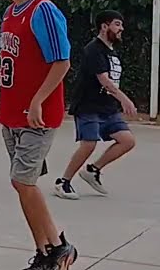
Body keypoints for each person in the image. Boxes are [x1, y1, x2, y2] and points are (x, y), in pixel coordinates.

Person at [0, 0, 78, 270]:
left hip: (37, 117)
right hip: (12, 114)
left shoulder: (43, 11)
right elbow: (10, 58)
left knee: (23, 181)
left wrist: (37, 102)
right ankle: (44, 251)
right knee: (22, 186)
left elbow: (61, 62)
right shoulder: (9, 13)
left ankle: (60, 246)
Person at [55, 10, 137, 200]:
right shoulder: (93, 49)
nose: (121, 29)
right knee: (89, 144)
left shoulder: (110, 51)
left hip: (107, 107)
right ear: (104, 26)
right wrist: (124, 99)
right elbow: (105, 81)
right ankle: (63, 182)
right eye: (117, 24)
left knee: (127, 141)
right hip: (88, 106)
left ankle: (92, 170)